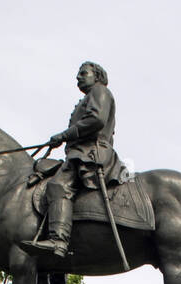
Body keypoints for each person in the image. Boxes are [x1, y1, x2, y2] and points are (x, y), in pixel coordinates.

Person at [20, 61, 131, 258]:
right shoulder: (90, 96)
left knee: (58, 186)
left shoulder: (100, 91)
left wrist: (64, 136)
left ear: (97, 76)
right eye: (78, 74)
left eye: (83, 73)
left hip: (91, 153)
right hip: (81, 151)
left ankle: (58, 241)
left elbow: (96, 120)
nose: (78, 77)